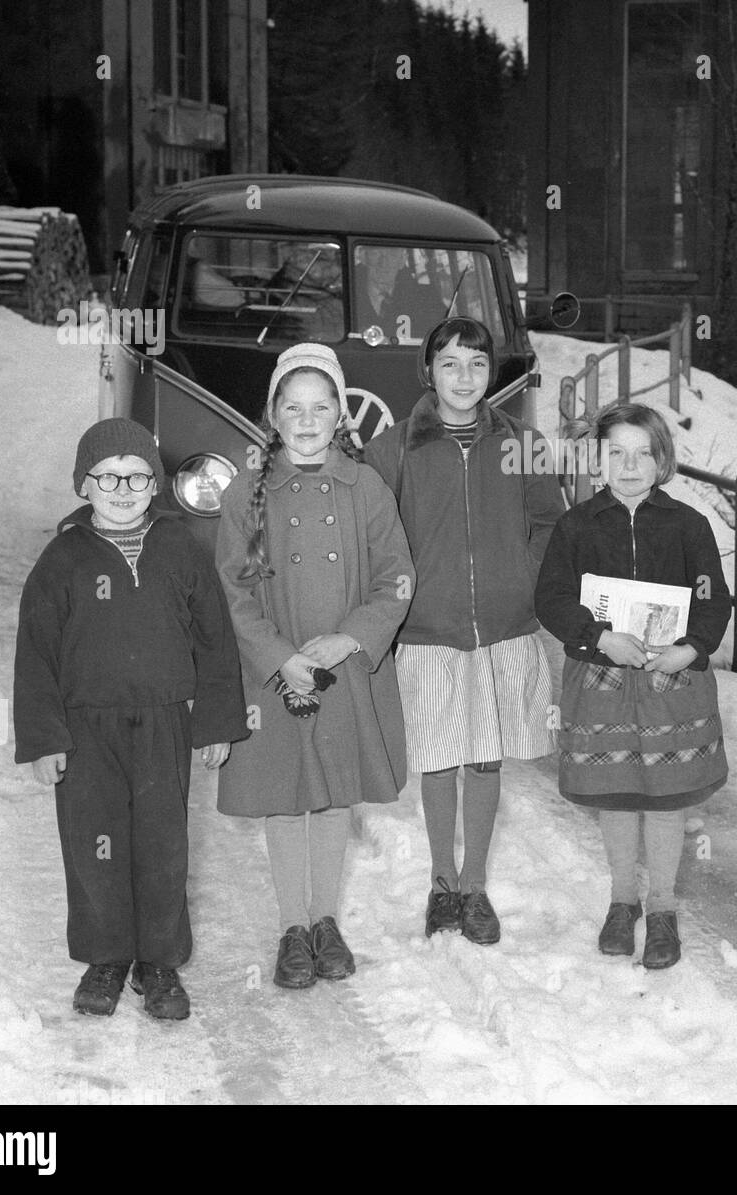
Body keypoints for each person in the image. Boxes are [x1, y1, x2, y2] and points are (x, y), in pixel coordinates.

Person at [14, 419, 246, 1021]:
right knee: (96, 843)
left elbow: (215, 640)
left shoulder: (180, 549)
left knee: (163, 842)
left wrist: (216, 722)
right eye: (108, 476)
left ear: (157, 483)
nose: (123, 488)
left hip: (164, 721)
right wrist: (44, 738)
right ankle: (106, 955)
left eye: (138, 475)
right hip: (86, 727)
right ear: (83, 485)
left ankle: (160, 962)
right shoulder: (62, 558)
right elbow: (35, 651)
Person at [215, 343, 413, 989]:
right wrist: (280, 658)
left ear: (340, 413)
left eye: (320, 405)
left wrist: (350, 638)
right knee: (284, 793)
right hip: (274, 670)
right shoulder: (246, 492)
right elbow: (234, 592)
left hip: (345, 666)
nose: (307, 420)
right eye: (292, 407)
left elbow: (397, 579)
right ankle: (292, 927)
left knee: (332, 792)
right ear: (273, 413)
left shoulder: (367, 487)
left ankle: (327, 920)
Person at [364, 316, 564, 944]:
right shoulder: (393, 449)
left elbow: (548, 526)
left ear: (492, 372)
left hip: (503, 628)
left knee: (484, 756)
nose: (464, 376)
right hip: (427, 630)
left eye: (477, 363)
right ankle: (440, 882)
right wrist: (403, 603)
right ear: (429, 371)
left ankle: (475, 884)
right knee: (439, 757)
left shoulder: (524, 443)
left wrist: (522, 583)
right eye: (450, 363)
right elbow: (380, 541)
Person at [535, 403, 732, 969]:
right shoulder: (576, 526)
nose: (629, 464)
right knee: (619, 791)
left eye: (644, 452)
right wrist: (597, 637)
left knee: (666, 796)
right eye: (616, 452)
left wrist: (691, 648)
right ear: (596, 460)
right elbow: (550, 599)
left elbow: (712, 599)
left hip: (672, 680)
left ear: (662, 460)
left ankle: (664, 908)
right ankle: (624, 902)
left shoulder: (688, 525)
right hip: (601, 678)